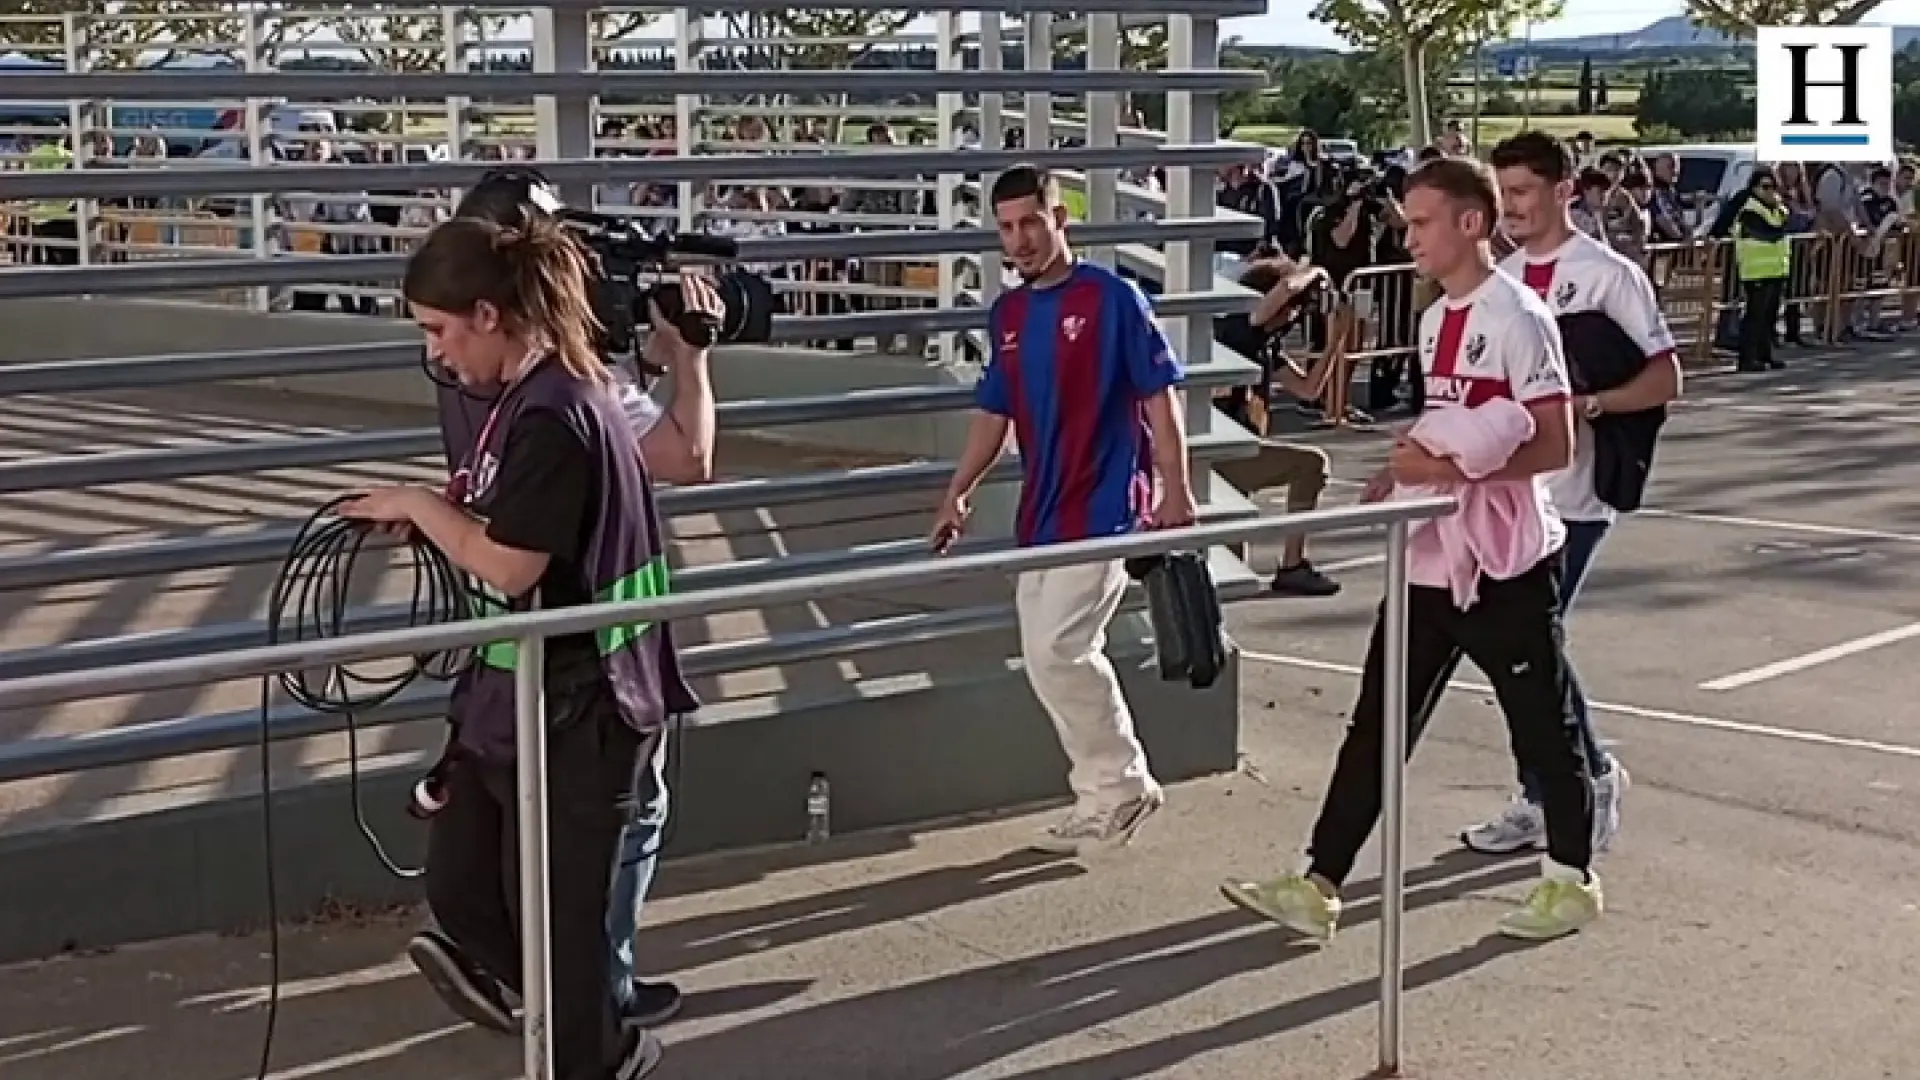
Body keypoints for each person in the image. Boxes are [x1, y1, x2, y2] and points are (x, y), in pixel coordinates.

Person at [343, 216, 698, 1080]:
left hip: (588, 702)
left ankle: (597, 1050)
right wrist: (435, 511)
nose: (438, 356)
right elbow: (506, 525)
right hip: (522, 696)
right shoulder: (533, 394)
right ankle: (558, 1014)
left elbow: (510, 564)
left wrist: (423, 508)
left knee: (558, 925)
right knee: (468, 889)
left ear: (488, 315)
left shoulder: (557, 408)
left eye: (438, 331)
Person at [1221, 156, 1602, 943]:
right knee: (1377, 722)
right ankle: (1319, 881)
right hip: (1433, 552)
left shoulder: (1521, 317)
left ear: (1472, 223)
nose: (1410, 236)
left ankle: (1571, 880)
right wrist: (1403, 479)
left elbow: (1554, 445)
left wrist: (1447, 466)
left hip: (1508, 563)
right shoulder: (1432, 320)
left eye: (1423, 222)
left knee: (1541, 723)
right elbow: (1448, 424)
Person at [426, 170, 718, 1031]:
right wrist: (692, 361)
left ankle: (540, 978)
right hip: (597, 654)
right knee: (622, 820)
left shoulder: (460, 365)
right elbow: (683, 457)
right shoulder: (566, 388)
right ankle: (591, 997)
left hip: (510, 644)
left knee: (510, 834)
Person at [931, 164, 1194, 855]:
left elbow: (1159, 398)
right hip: (1040, 512)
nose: (1018, 240)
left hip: (1106, 507)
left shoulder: (1114, 299)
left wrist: (1175, 489)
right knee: (1045, 655)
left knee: (1059, 650)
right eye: (1006, 228)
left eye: (1030, 223)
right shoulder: (1009, 315)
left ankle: (1123, 785)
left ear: (1060, 218)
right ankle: (1103, 792)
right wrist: (957, 489)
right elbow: (995, 411)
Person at [1455, 132, 1680, 856]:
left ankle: (1580, 779)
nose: (1511, 208)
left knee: (1529, 641)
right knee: (1515, 645)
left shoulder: (1609, 276)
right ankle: (1550, 786)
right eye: (1503, 194)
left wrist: (1588, 407)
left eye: (1523, 191)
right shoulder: (1504, 280)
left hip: (1574, 496)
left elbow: (1663, 379)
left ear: (1563, 190)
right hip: (1509, 494)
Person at [1212, 258, 1342, 597]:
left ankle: (1290, 565)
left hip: (1243, 448)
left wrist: (1334, 343)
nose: (1293, 316)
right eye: (1293, 309)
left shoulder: (1267, 348)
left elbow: (1309, 390)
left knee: (1230, 572)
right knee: (1310, 462)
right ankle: (1292, 564)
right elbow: (1284, 290)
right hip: (1224, 453)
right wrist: (1314, 271)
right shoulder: (1239, 329)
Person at [1730, 168, 1792, 373]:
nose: (1769, 191)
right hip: (1755, 271)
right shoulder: (1750, 210)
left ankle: (1765, 354)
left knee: (1770, 316)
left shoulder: (1776, 209)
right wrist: (1782, 219)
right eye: (1765, 187)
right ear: (1754, 188)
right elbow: (1767, 233)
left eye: (1773, 187)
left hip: (1774, 269)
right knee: (1755, 316)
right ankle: (1747, 358)